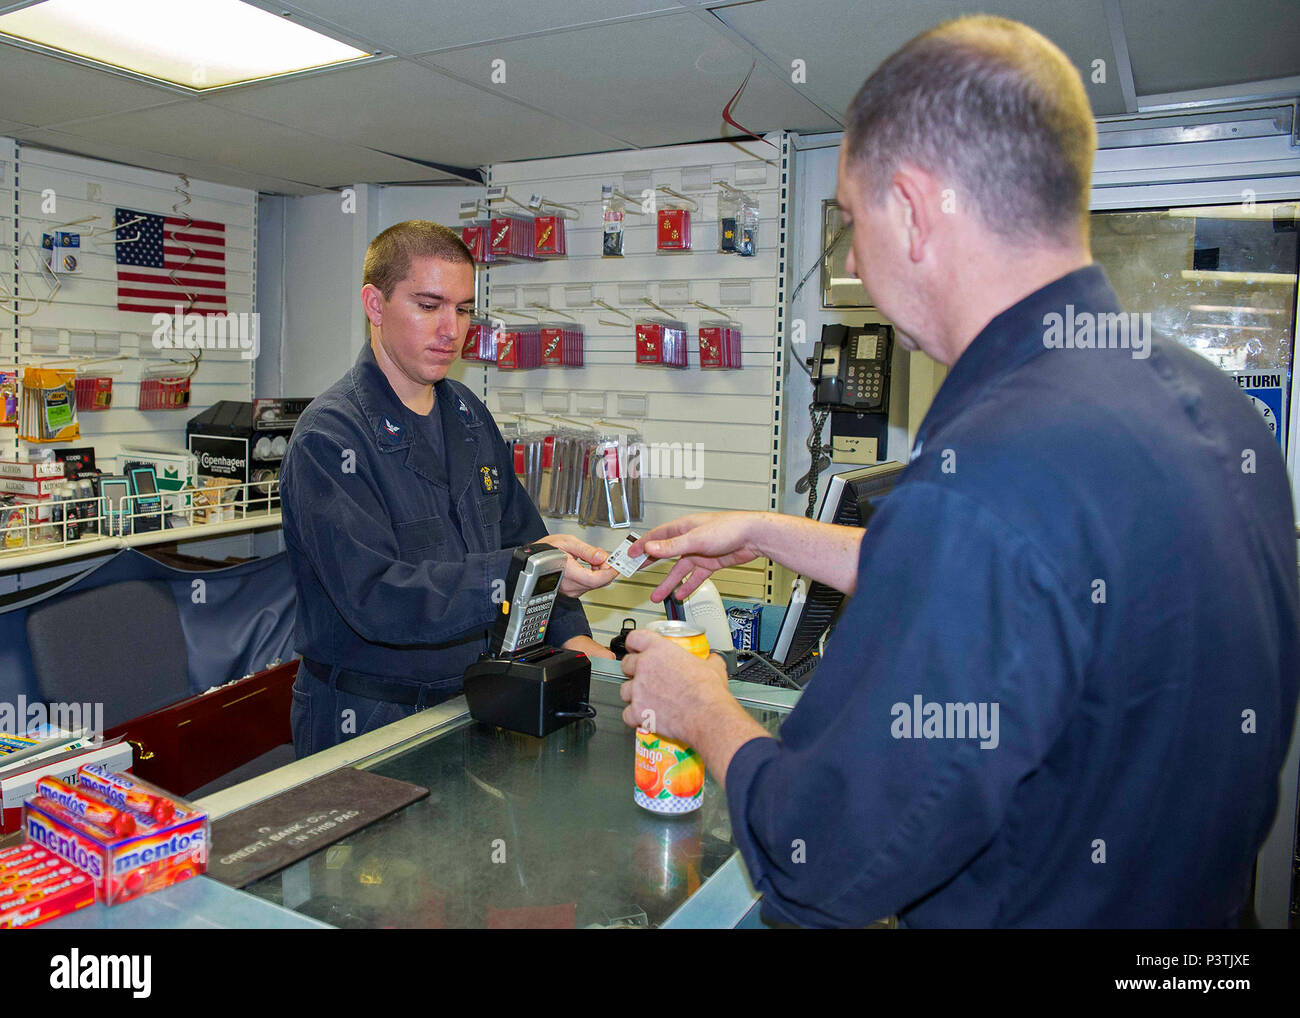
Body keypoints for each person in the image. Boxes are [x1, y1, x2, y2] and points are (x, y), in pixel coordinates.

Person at [619, 15, 1300, 927]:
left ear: (912, 206)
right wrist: (764, 531)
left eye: (853, 223)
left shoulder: (991, 471)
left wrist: (699, 706)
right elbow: (1040, 602)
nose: (854, 258)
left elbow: (824, 859)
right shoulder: (1213, 408)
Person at [282, 221, 616, 757]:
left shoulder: (467, 414)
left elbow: (524, 538)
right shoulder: (330, 437)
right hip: (369, 719)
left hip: (473, 701)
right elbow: (377, 598)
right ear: (374, 304)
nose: (450, 329)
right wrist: (511, 575)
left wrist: (574, 638)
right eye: (428, 305)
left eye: (462, 309)